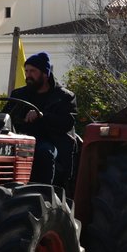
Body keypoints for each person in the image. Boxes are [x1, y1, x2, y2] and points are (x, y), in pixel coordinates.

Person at [10, 51, 78, 188]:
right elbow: (7, 116)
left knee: (44, 152)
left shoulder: (64, 97)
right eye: (27, 71)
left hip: (51, 141)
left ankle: (44, 193)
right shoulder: (19, 94)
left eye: (33, 71)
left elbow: (67, 122)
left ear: (45, 74)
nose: (28, 75)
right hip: (21, 140)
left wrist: (42, 115)